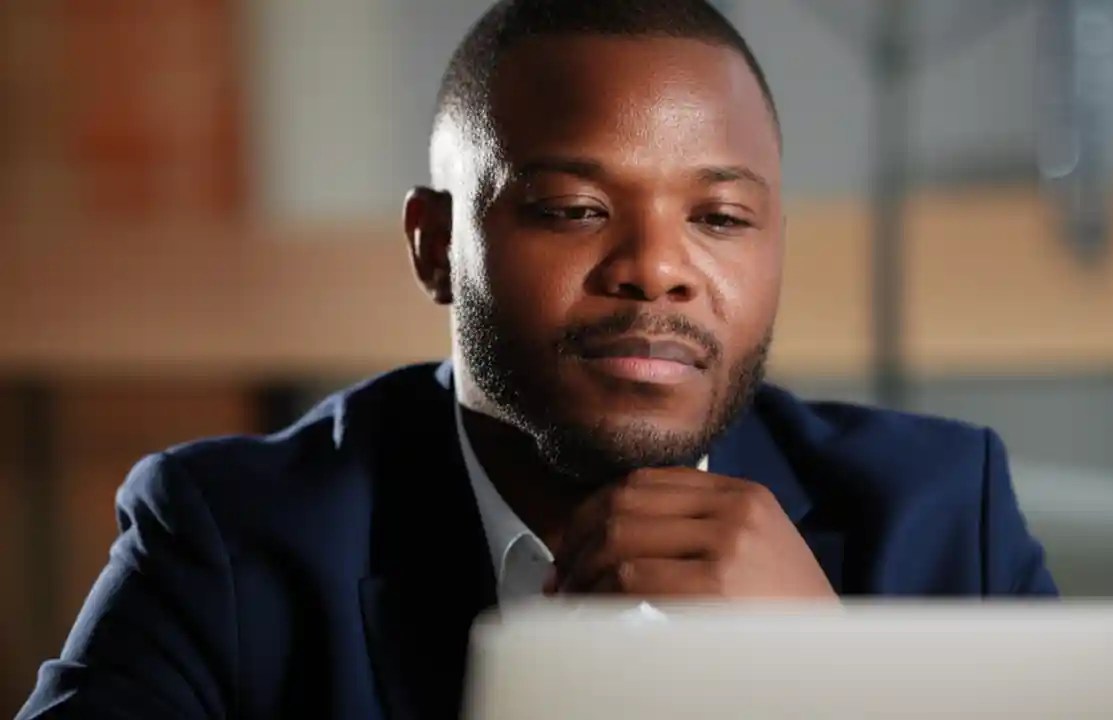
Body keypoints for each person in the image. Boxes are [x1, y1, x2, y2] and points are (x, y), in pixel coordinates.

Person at [19, 0, 1056, 717]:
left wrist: (832, 686)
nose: (657, 270)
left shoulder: (938, 513)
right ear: (435, 245)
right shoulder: (230, 537)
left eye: (721, 216)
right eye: (571, 209)